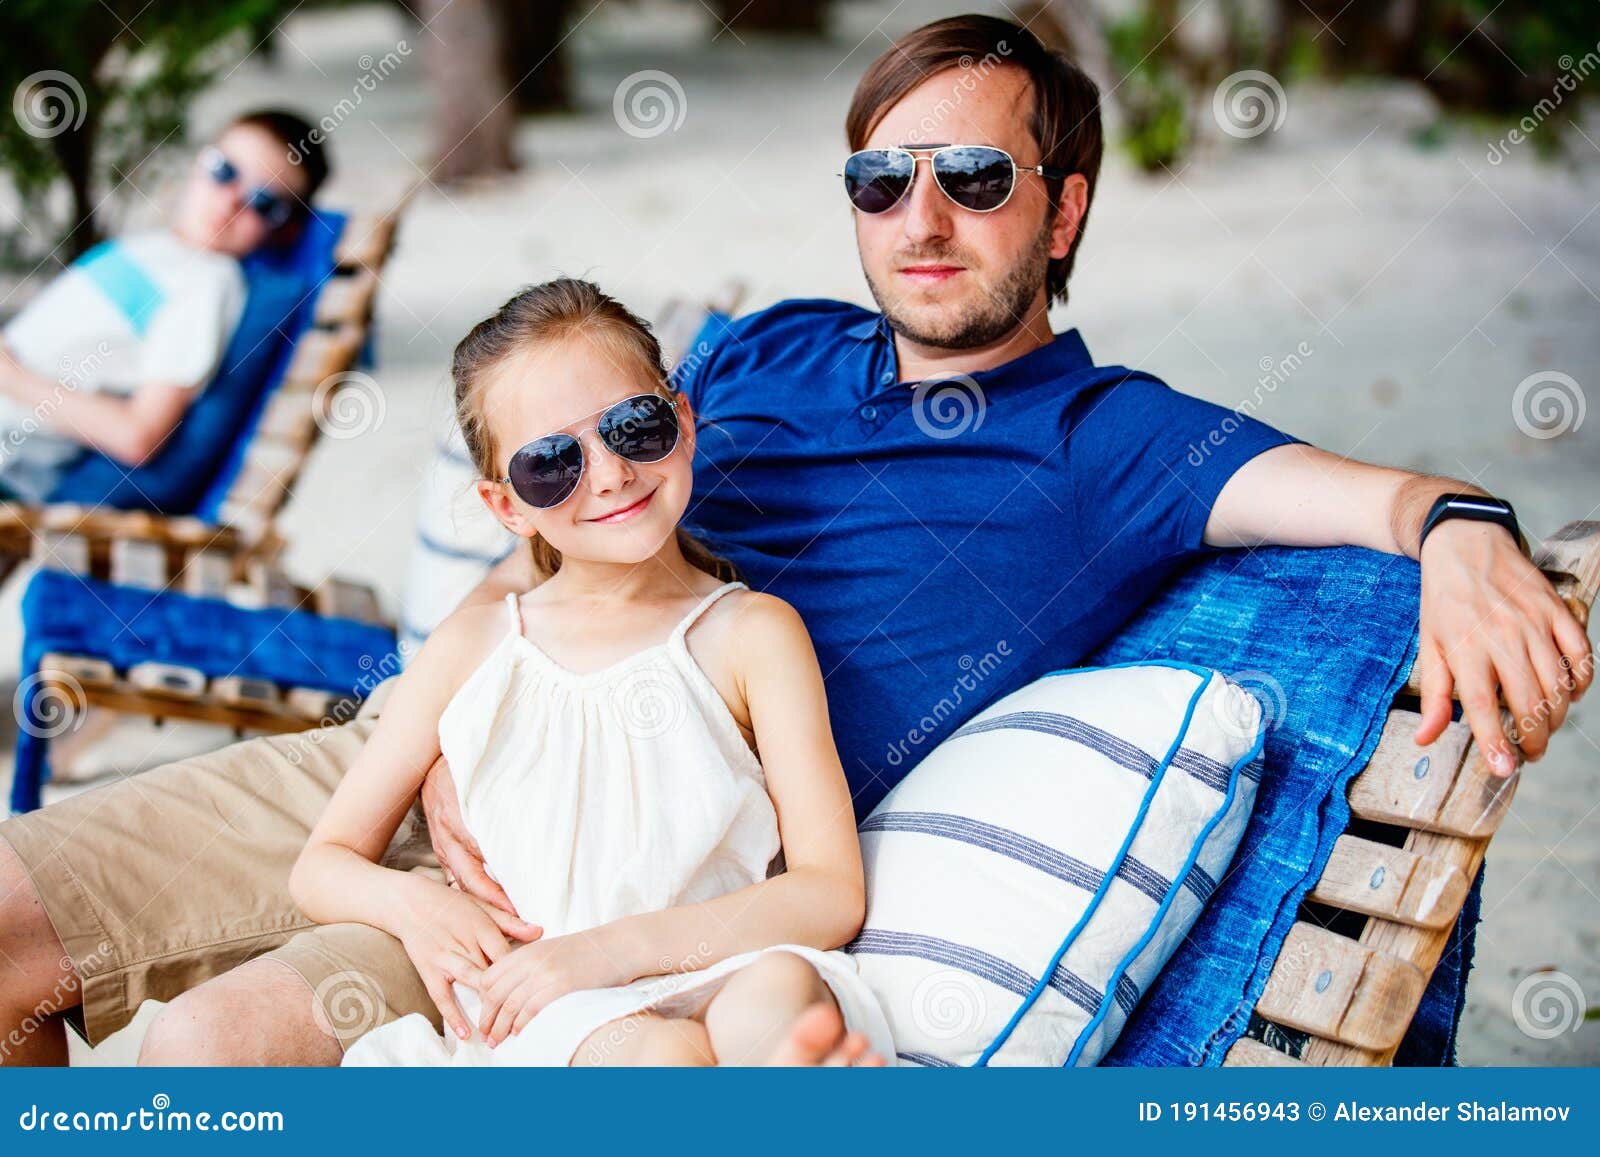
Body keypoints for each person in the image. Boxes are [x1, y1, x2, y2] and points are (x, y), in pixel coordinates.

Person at [0, 15, 1587, 1068]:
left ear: (1067, 206)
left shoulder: (1112, 445)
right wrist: (442, 728)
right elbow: (566, 515)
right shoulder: (770, 350)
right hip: (411, 764)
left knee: (220, 1059)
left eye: (975, 176)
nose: (923, 217)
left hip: (595, 905)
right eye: (881, 178)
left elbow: (1370, 492)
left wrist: (1459, 530)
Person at [291, 278, 891, 1066]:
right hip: (554, 1006)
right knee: (658, 1058)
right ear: (507, 507)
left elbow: (829, 889)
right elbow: (323, 862)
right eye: (551, 464)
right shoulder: (473, 646)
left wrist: (614, 948)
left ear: (682, 420)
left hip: (719, 954)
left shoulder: (751, 634)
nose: (607, 474)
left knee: (775, 1001)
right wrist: (414, 903)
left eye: (632, 427)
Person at [0, 109, 331, 503]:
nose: (229, 203)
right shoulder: (164, 250)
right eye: (224, 171)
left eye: (263, 202)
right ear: (199, 163)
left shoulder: (206, 284)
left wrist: (11, 377)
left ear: (286, 229)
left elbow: (138, 435)